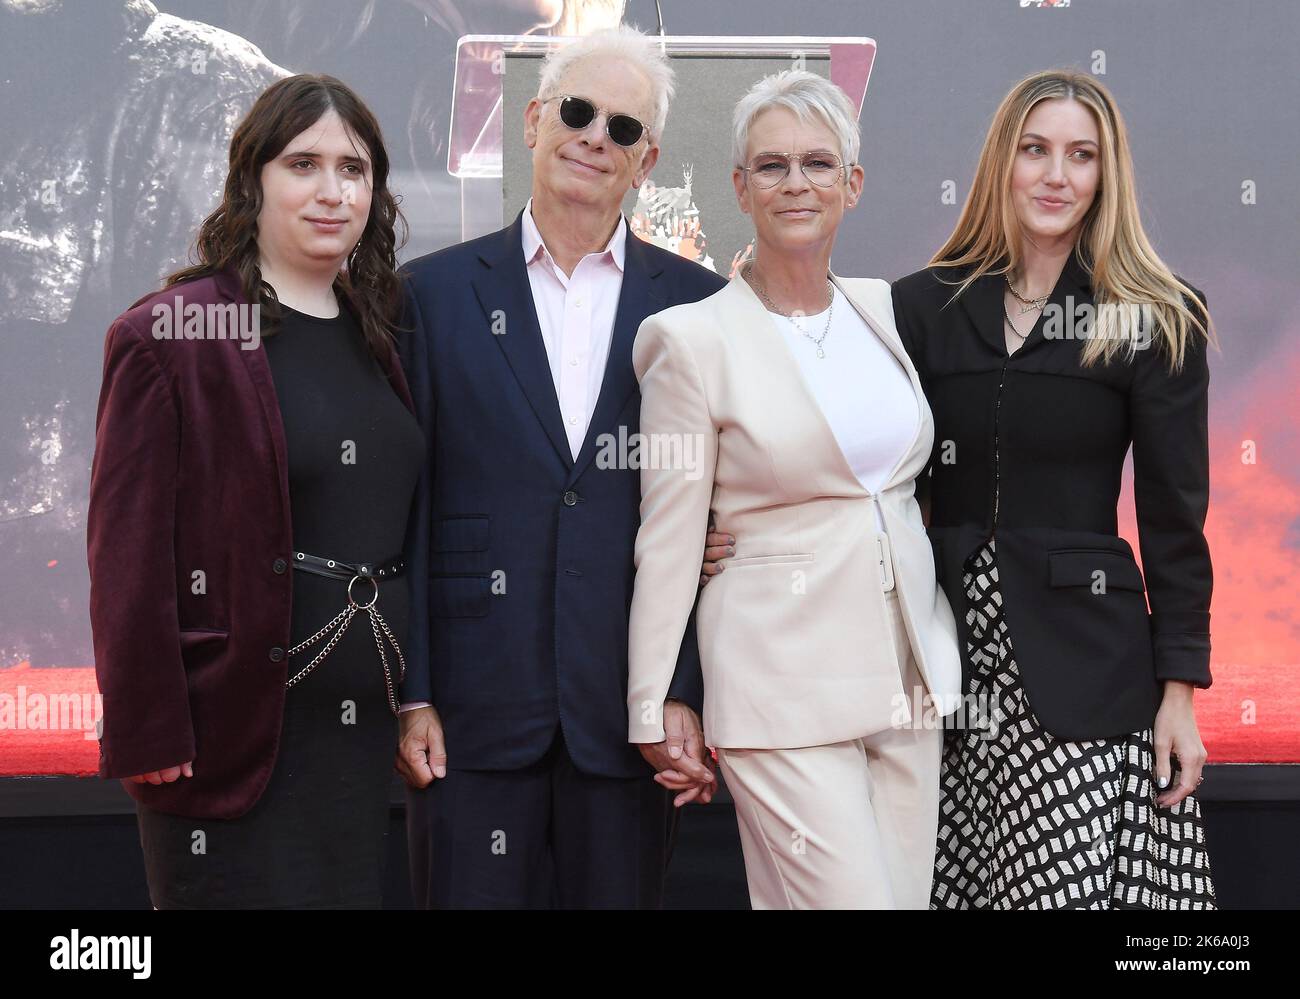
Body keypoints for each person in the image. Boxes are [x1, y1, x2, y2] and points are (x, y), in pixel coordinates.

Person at [704, 69, 1218, 909]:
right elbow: (840, 455)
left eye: (1081, 156)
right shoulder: (917, 308)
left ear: (1107, 175)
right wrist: (732, 529)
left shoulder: (1155, 317)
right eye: (1035, 150)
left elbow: (1175, 522)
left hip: (1086, 677)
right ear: (1001, 163)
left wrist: (1181, 693)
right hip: (935, 671)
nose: (1056, 175)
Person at [396, 26, 726, 909]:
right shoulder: (427, 295)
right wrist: (411, 692)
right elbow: (407, 512)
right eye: (577, 112)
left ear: (647, 160)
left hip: (629, 718)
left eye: (623, 128)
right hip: (467, 717)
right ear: (534, 120)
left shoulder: (702, 308)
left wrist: (683, 689)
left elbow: (718, 523)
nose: (594, 137)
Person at [627, 70, 962, 910]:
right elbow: (668, 534)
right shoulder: (688, 339)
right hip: (778, 689)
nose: (795, 184)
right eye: (771, 166)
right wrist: (655, 700)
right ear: (740, 188)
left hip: (906, 679)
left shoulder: (883, 310)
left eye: (818, 163)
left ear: (853, 183)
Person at [88, 74, 422, 909]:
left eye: (353, 169)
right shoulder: (172, 333)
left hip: (357, 748)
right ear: (252, 180)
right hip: (226, 743)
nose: (332, 190)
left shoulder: (381, 333)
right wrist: (146, 721)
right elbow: (125, 555)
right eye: (303, 164)